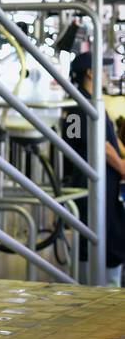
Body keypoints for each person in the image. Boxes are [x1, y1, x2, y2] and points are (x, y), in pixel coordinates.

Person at [59, 50, 125, 285]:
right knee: (104, 236)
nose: (107, 75)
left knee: (99, 235)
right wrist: (122, 166)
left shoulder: (80, 102)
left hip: (91, 180)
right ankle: (102, 291)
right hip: (96, 183)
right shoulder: (83, 105)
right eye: (103, 70)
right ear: (90, 72)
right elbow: (99, 146)